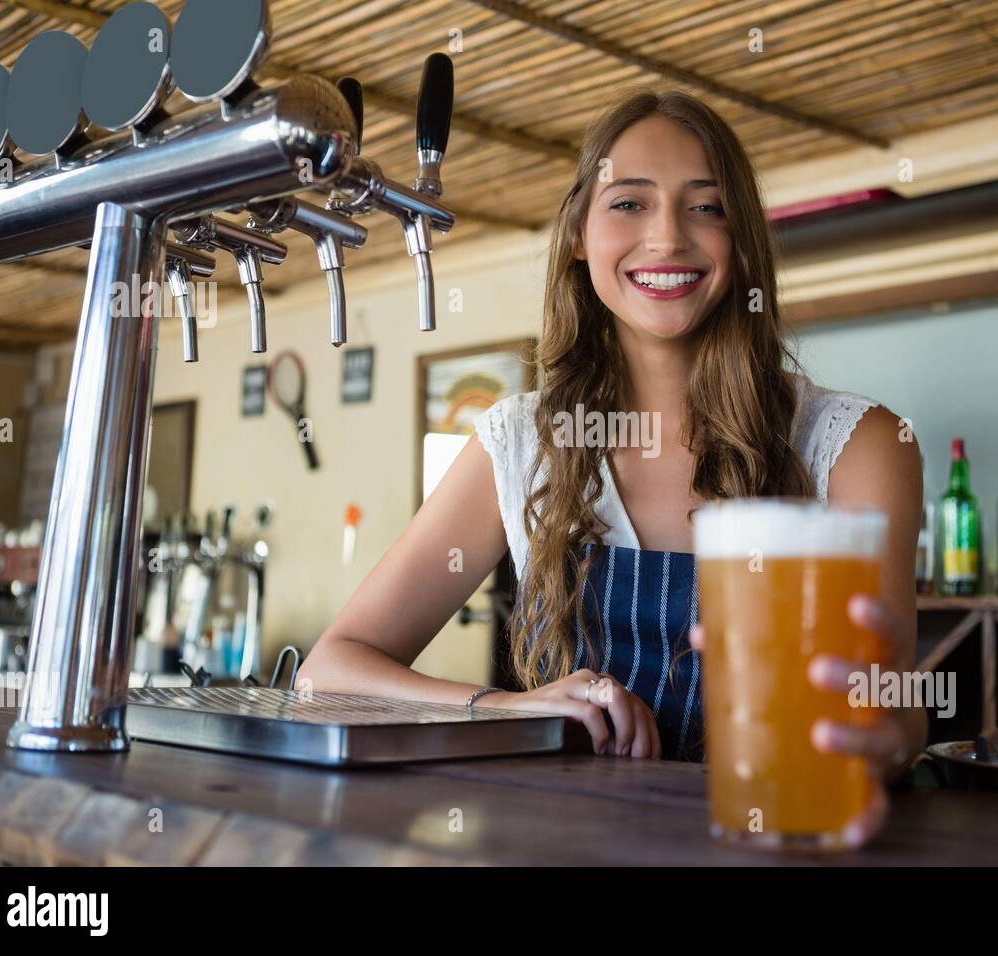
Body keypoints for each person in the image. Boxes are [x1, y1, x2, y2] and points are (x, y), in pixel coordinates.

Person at [299, 88, 926, 846]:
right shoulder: (518, 441)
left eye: (708, 207)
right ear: (577, 237)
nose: (667, 238)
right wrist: (505, 707)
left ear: (745, 243)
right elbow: (330, 668)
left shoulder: (858, 443)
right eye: (628, 203)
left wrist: (886, 735)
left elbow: (892, 704)